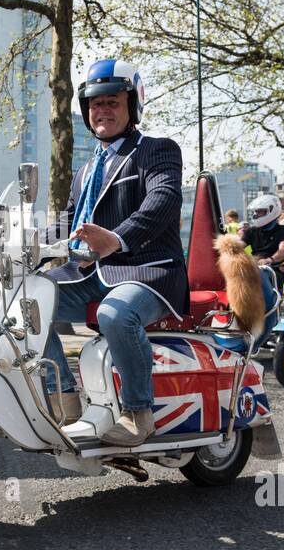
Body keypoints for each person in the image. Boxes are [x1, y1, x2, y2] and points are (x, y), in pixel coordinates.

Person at [41, 59, 187, 447]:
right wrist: (19, 245)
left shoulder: (158, 151)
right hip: (91, 274)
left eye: (112, 102)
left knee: (115, 313)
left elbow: (164, 200)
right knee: (26, 300)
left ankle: (139, 413)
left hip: (146, 271)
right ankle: (64, 398)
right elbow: (68, 220)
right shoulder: (86, 169)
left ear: (133, 105)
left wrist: (117, 239)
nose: (102, 110)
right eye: (94, 104)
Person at [240, 194, 284, 282]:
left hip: (274, 270)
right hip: (255, 267)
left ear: (272, 210)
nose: (256, 214)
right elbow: (239, 245)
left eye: (260, 211)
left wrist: (269, 260)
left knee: (262, 276)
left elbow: (283, 251)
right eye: (255, 211)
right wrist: (230, 247)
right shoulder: (251, 231)